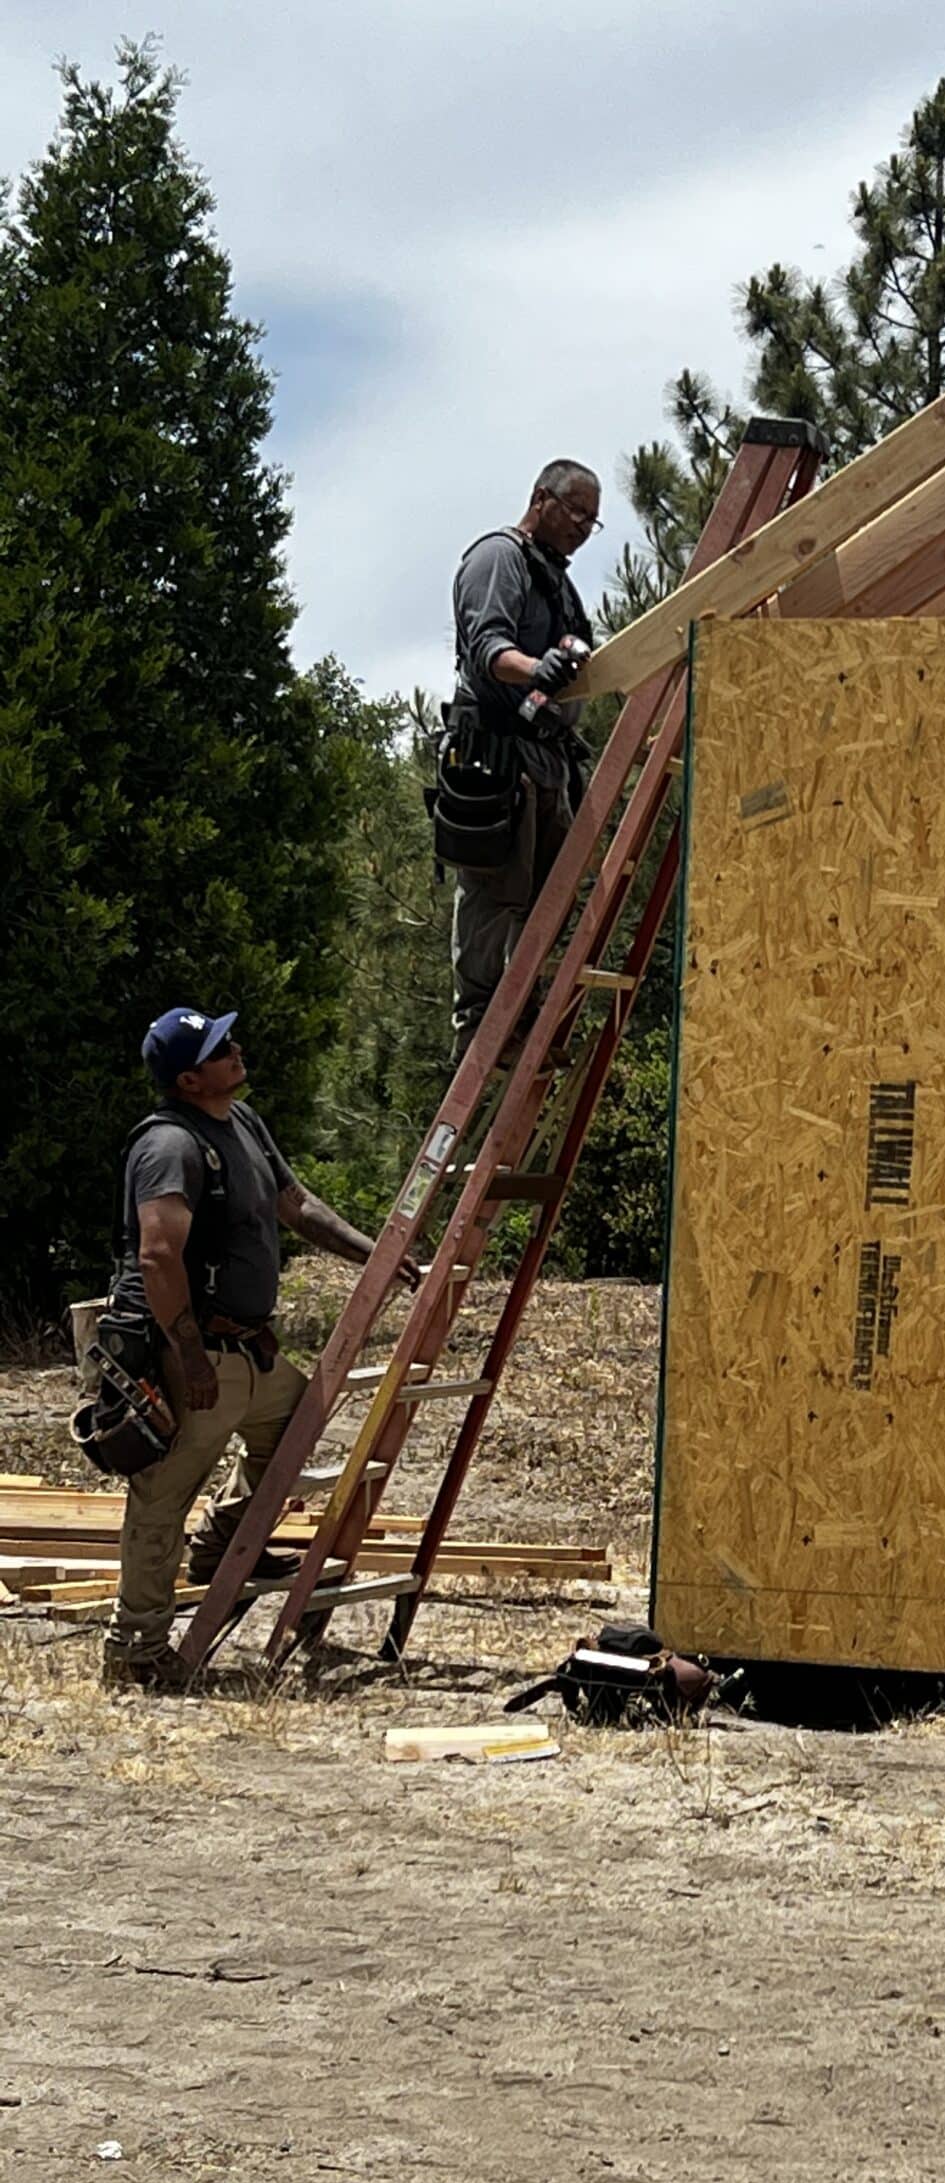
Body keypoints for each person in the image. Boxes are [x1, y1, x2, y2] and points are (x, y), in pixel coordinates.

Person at [102, 1006, 420, 1691]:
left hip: (251, 1351)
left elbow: (296, 1204)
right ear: (189, 1080)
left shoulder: (241, 1122)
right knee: (161, 1499)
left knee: (295, 1434)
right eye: (220, 1049)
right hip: (195, 1354)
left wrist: (375, 1255)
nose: (236, 1049)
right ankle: (136, 1650)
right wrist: (188, 1357)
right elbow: (158, 1256)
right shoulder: (168, 1146)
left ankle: (220, 1545)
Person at [446, 458, 600, 1059]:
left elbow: (577, 654)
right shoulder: (498, 558)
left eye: (592, 521)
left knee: (548, 899)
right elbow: (488, 648)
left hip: (545, 760)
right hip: (496, 757)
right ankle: (481, 1027)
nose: (583, 528)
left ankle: (526, 1020)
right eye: (576, 512)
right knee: (496, 894)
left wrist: (567, 657)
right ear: (541, 499)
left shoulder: (556, 581)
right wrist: (537, 668)